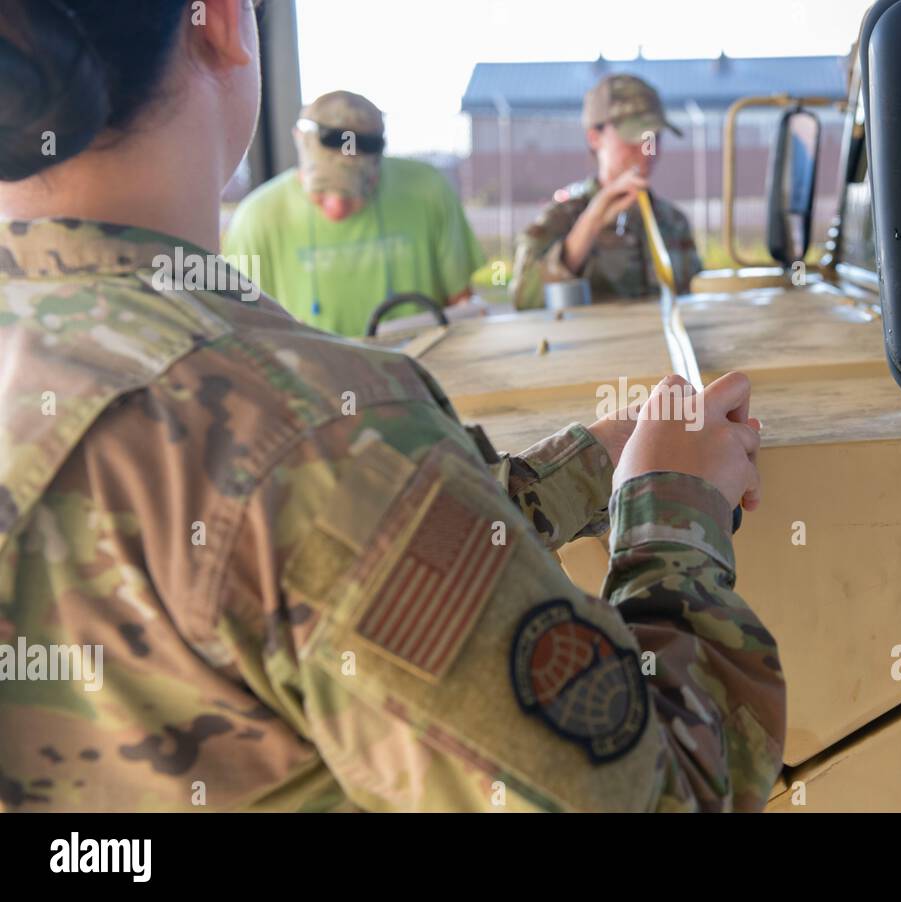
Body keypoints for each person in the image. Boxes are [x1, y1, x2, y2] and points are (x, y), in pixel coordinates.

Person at [0, 0, 781, 812]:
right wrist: (670, 518)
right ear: (223, 20)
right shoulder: (309, 434)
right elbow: (664, 797)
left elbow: (319, 570)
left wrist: (586, 467)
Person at [222, 90, 486, 337]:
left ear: (377, 169)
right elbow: (242, 328)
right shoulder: (256, 218)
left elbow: (461, 303)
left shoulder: (428, 191)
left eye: (352, 192)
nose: (336, 208)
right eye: (321, 191)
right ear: (298, 143)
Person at [510, 74, 703, 309]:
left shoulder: (672, 222)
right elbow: (523, 299)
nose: (646, 151)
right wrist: (588, 226)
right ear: (594, 137)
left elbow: (695, 299)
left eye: (653, 138)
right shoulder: (561, 219)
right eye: (633, 137)